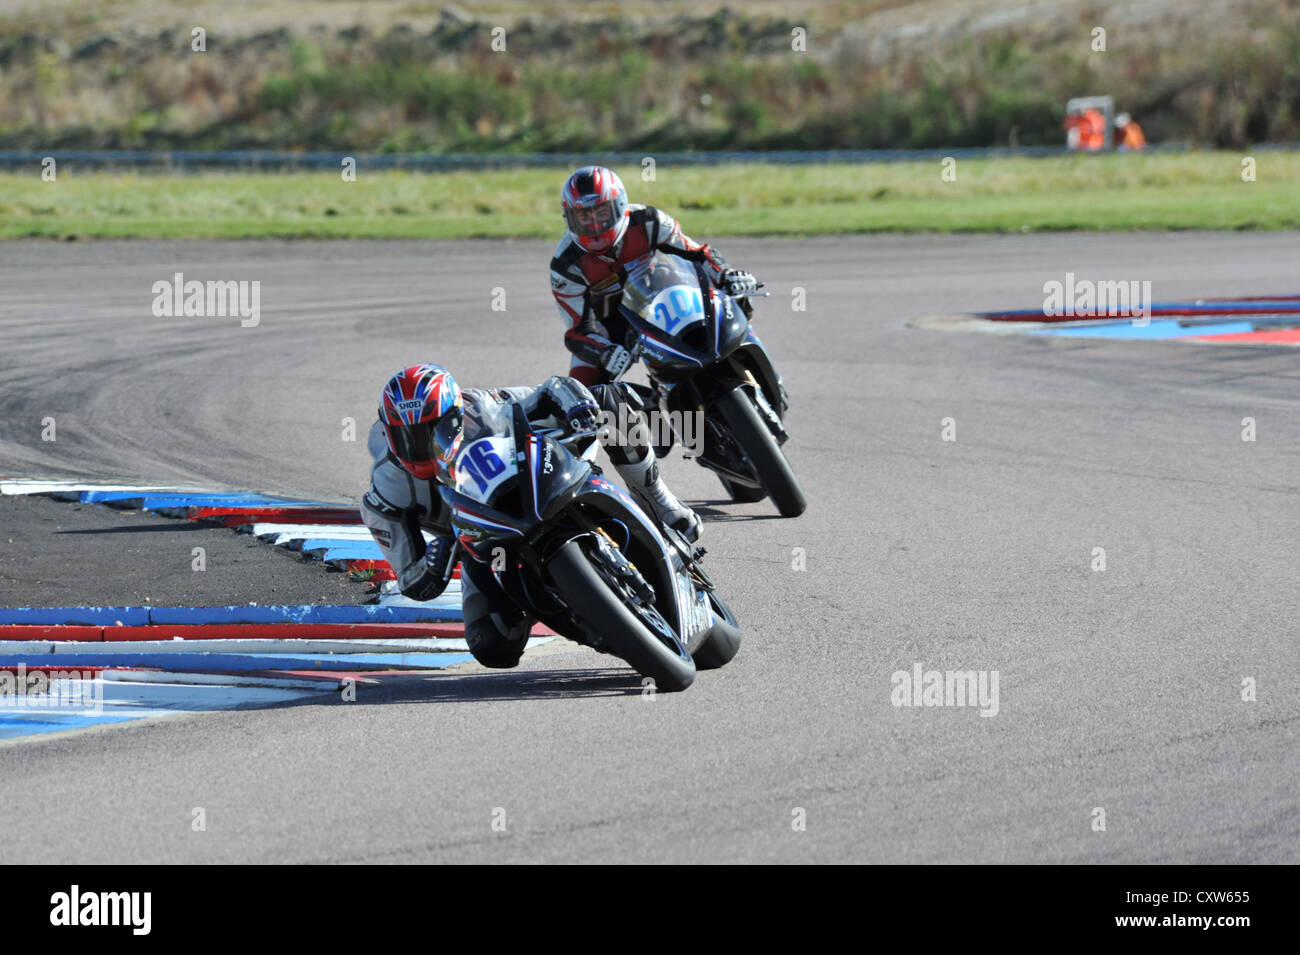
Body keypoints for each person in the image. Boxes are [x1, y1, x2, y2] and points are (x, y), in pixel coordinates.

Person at [360, 363, 701, 668]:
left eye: (433, 430)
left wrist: (578, 408)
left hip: (535, 480)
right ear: (388, 433)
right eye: (408, 437)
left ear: (455, 411)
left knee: (607, 400)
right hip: (477, 542)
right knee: (493, 646)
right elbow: (412, 582)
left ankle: (661, 503)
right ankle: (582, 614)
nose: (422, 447)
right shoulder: (384, 491)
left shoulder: (481, 405)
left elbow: (553, 390)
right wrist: (433, 566)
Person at [549, 165, 761, 387]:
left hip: (668, 295)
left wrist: (727, 274)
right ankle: (652, 409)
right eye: (584, 216)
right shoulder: (565, 265)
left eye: (602, 213)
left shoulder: (648, 220)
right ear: (569, 218)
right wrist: (604, 353)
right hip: (614, 326)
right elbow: (577, 332)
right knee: (580, 390)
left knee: (732, 301)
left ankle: (756, 361)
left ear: (619, 206)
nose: (594, 225)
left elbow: (698, 254)